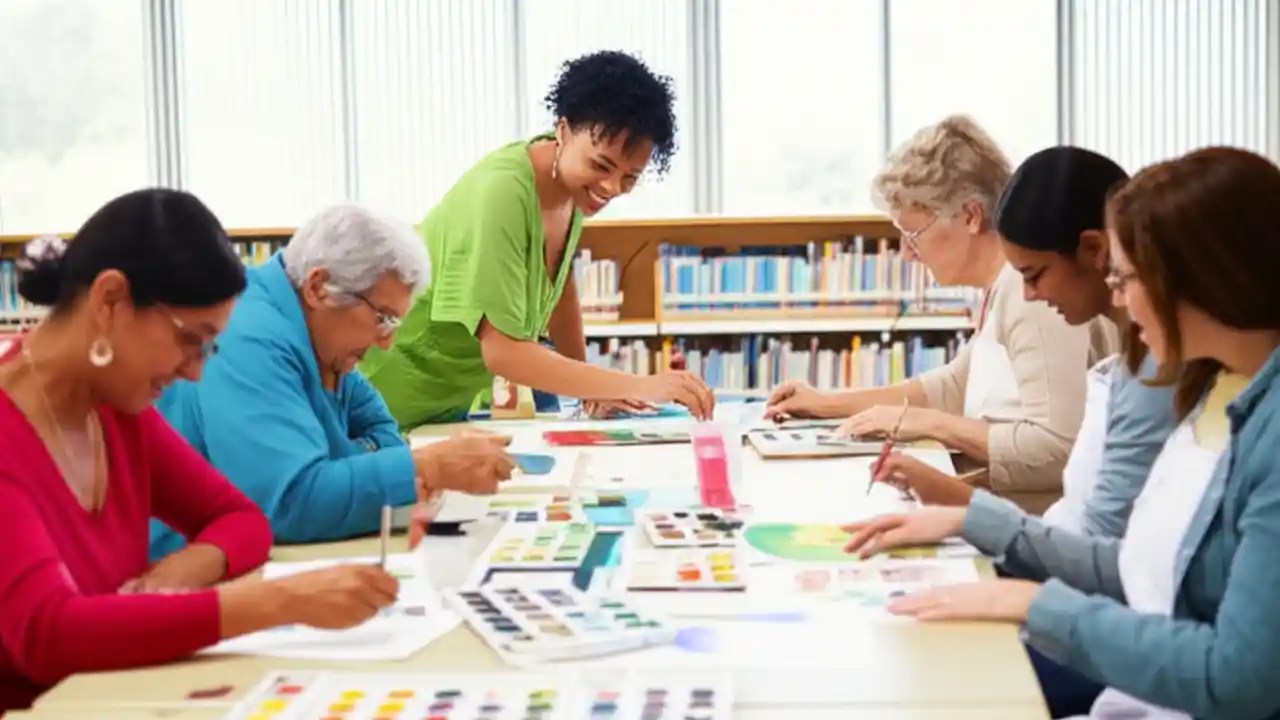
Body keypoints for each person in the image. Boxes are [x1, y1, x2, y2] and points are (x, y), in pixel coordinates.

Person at [843, 147, 1280, 719]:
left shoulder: (1246, 418)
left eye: (1126, 278)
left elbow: (1237, 677)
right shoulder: (1216, 391)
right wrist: (971, 523)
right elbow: (1143, 566)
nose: (1116, 297)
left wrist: (1034, 604)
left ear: (1198, 277)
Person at [0, 190, 401, 712]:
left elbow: (243, 520)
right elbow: (47, 633)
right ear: (110, 301)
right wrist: (278, 601)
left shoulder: (114, 408)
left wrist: (175, 577)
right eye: (192, 339)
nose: (196, 372)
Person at [767, 116, 1117, 514]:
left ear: (971, 216)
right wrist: (826, 403)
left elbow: (1057, 448)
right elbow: (950, 387)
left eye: (913, 234)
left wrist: (928, 423)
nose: (907, 253)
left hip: (1030, 523)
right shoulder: (1001, 288)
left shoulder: (1032, 296)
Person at [360, 50, 715, 428]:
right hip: (387, 394)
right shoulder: (503, 193)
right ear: (563, 131)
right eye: (601, 165)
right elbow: (504, 353)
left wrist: (592, 391)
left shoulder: (569, 189)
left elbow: (558, 290)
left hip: (442, 405)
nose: (611, 187)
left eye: (629, 178)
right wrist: (639, 385)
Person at [150, 205, 515, 559]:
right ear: (319, 287)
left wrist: (336, 475)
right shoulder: (250, 335)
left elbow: (384, 434)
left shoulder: (320, 337)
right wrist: (427, 467)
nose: (386, 343)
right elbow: (291, 503)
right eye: (383, 318)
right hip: (174, 568)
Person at [867, 146, 1178, 540]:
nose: (1031, 294)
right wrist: (947, 496)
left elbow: (1091, 548)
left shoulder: (1151, 380)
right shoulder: (1118, 372)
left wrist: (961, 509)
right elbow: (1076, 532)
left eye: (1123, 277)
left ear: (1094, 251)